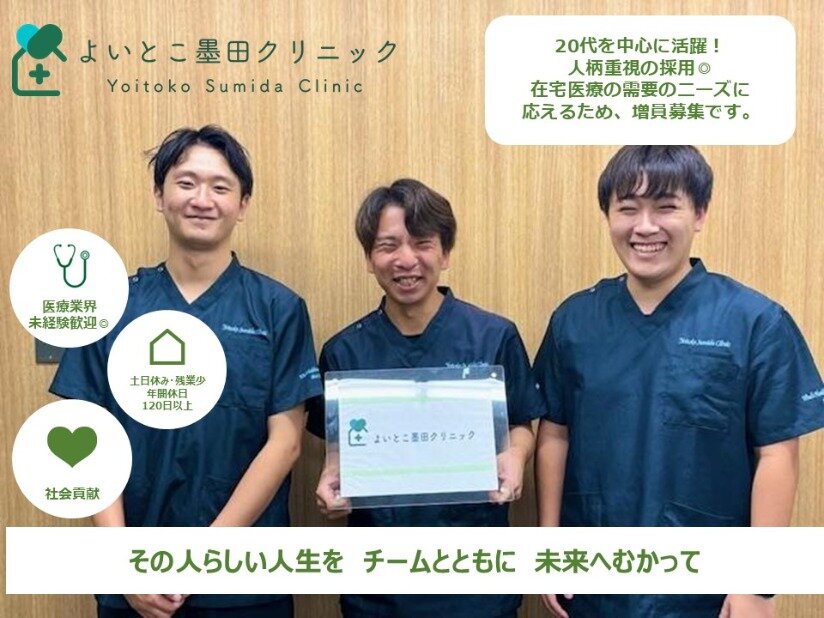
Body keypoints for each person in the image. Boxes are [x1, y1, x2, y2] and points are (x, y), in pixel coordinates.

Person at [533, 145, 824, 618]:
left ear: (700, 213)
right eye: (628, 208)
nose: (645, 227)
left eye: (666, 207)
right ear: (608, 215)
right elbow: (555, 433)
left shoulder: (755, 321)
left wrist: (756, 586)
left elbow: (777, 455)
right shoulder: (575, 319)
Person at [50, 125, 322, 617]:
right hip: (134, 586)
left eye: (220, 187)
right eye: (186, 182)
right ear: (159, 195)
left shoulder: (278, 309)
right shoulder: (110, 306)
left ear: (242, 204)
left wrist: (201, 560)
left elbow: (285, 443)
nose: (202, 200)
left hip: (243, 584)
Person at [307, 178, 546, 618]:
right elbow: (339, 449)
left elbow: (520, 424)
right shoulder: (344, 352)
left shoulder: (493, 336)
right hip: (379, 585)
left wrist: (515, 458)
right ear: (369, 258)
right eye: (388, 245)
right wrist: (332, 479)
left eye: (422, 243)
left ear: (445, 253)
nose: (406, 260)